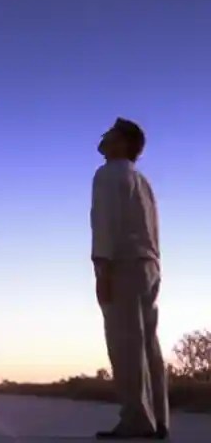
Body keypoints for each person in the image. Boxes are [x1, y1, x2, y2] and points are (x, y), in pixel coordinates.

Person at [92, 118, 168, 440]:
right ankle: (158, 419)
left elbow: (106, 222)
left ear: (123, 143)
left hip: (123, 264)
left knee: (125, 343)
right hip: (148, 265)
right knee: (147, 343)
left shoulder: (108, 174)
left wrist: (103, 266)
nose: (103, 137)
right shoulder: (142, 180)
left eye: (110, 134)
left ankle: (137, 420)